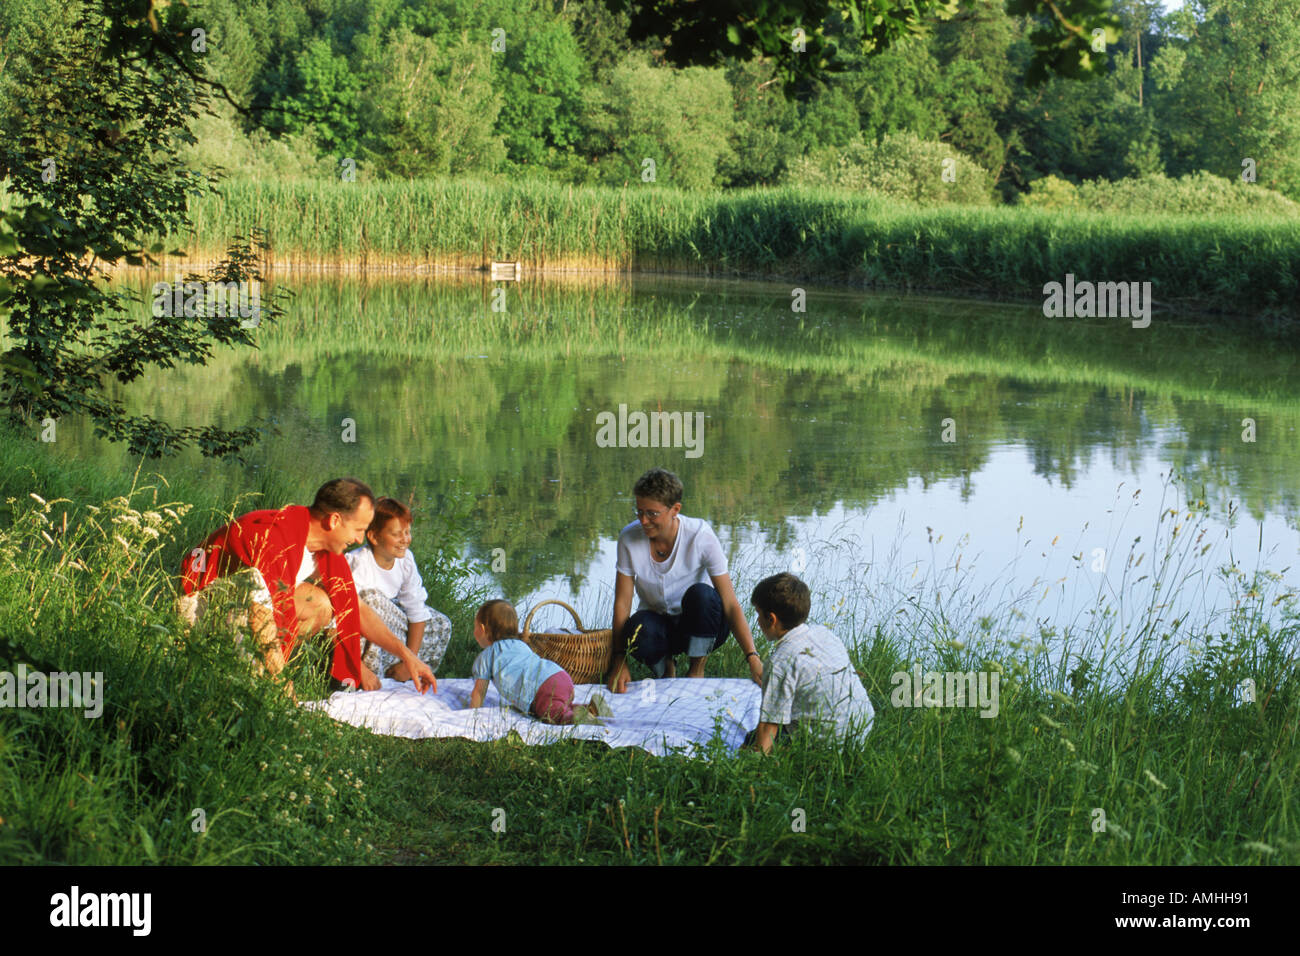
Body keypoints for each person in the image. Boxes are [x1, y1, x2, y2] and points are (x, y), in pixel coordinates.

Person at [178, 477, 436, 695]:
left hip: (243, 605)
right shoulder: (275, 536)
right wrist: (282, 687)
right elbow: (260, 616)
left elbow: (352, 607)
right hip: (204, 608)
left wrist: (408, 656)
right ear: (334, 521)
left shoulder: (324, 548)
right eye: (358, 529)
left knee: (322, 604)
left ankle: (260, 668)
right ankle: (251, 673)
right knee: (289, 597)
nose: (359, 539)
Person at [603, 468, 762, 693]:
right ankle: (667, 670)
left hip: (702, 624)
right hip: (659, 628)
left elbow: (730, 603)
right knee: (637, 626)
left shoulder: (701, 536)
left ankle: (696, 670)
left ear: (675, 509)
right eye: (639, 512)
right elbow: (622, 603)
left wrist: (752, 657)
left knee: (703, 595)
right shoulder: (628, 538)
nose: (643, 521)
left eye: (652, 513)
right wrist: (620, 660)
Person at [744, 573, 874, 753]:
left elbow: (768, 727)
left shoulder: (780, 662)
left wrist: (751, 764)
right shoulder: (824, 634)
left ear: (771, 619)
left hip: (825, 745)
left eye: (758, 614)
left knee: (751, 739)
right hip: (861, 731)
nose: (757, 621)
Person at [346, 497, 453, 683]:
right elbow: (345, 616)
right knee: (372, 600)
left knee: (441, 623)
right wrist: (359, 667)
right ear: (373, 536)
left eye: (407, 532)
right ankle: (366, 673)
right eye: (397, 534)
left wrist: (409, 659)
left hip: (390, 621)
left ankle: (404, 668)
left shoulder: (405, 560)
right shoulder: (359, 562)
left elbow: (416, 610)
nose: (405, 539)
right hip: (360, 628)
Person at [469, 600, 608, 725]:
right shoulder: (521, 644)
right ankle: (589, 708)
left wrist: (472, 714)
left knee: (551, 714)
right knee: (557, 704)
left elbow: (479, 692)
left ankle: (577, 719)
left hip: (542, 688)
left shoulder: (486, 656)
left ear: (482, 629)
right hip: (559, 675)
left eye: (475, 626)